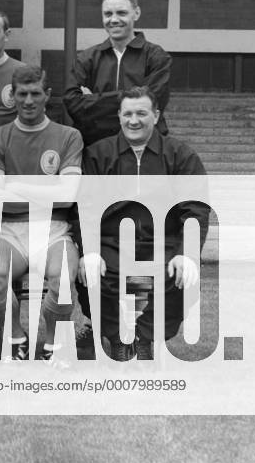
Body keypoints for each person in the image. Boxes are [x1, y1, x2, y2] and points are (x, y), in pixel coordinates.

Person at [79, 86, 208, 361]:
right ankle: (118, 338)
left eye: (141, 113)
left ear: (156, 115)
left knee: (184, 277)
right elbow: (86, 208)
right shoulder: (98, 154)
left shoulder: (180, 155)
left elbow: (195, 209)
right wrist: (89, 251)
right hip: (112, 243)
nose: (134, 120)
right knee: (90, 273)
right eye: (127, 114)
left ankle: (146, 338)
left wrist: (187, 253)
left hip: (163, 242)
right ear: (118, 115)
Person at [0, 65, 83, 361]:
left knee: (63, 279)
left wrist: (14, 186)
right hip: (8, 230)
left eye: (35, 93)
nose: (28, 101)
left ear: (47, 95)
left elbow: (67, 197)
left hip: (53, 229)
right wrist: (46, 191)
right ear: (12, 96)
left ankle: (52, 343)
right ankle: (16, 338)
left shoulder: (68, 136)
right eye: (22, 94)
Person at [63, 0, 172, 146]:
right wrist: (134, 97)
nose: (114, 20)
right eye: (108, 14)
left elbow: (153, 104)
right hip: (97, 148)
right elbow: (74, 105)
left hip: (146, 148)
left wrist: (93, 101)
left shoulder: (157, 57)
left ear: (136, 13)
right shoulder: (85, 59)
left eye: (121, 13)